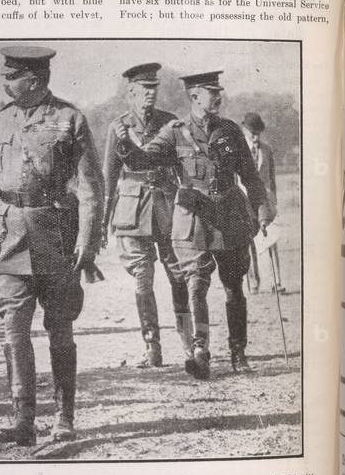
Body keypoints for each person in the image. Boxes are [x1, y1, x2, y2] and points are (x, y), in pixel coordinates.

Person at [113, 71, 273, 379]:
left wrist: (262, 210)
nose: (219, 96)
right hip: (192, 217)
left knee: (232, 287)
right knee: (196, 284)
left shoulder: (230, 131)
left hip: (229, 214)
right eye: (212, 92)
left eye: (219, 91)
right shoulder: (174, 132)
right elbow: (143, 160)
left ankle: (238, 351)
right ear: (195, 96)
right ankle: (201, 352)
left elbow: (250, 177)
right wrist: (124, 144)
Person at [0, 45, 104, 447]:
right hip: (10, 239)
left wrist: (86, 245)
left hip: (56, 237)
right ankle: (23, 418)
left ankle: (64, 417)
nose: (4, 82)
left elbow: (90, 189)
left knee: (60, 330)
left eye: (11, 77)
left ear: (32, 80)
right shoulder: (1, 121)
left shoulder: (70, 119)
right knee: (13, 331)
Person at [102, 63, 191, 367]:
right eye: (144, 89)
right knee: (143, 279)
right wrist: (103, 221)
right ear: (131, 93)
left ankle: (188, 341)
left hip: (167, 205)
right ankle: (151, 345)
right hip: (132, 210)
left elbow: (183, 168)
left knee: (178, 275)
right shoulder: (118, 127)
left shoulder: (171, 123)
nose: (150, 94)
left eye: (154, 88)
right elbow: (109, 176)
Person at [242, 111, 284, 294]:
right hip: (245, 200)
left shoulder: (266, 149)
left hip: (265, 201)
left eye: (257, 132)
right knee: (248, 242)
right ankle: (253, 283)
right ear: (245, 129)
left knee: (271, 239)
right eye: (252, 131)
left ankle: (277, 281)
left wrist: (273, 199)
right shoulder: (238, 150)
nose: (255, 135)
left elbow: (272, 177)